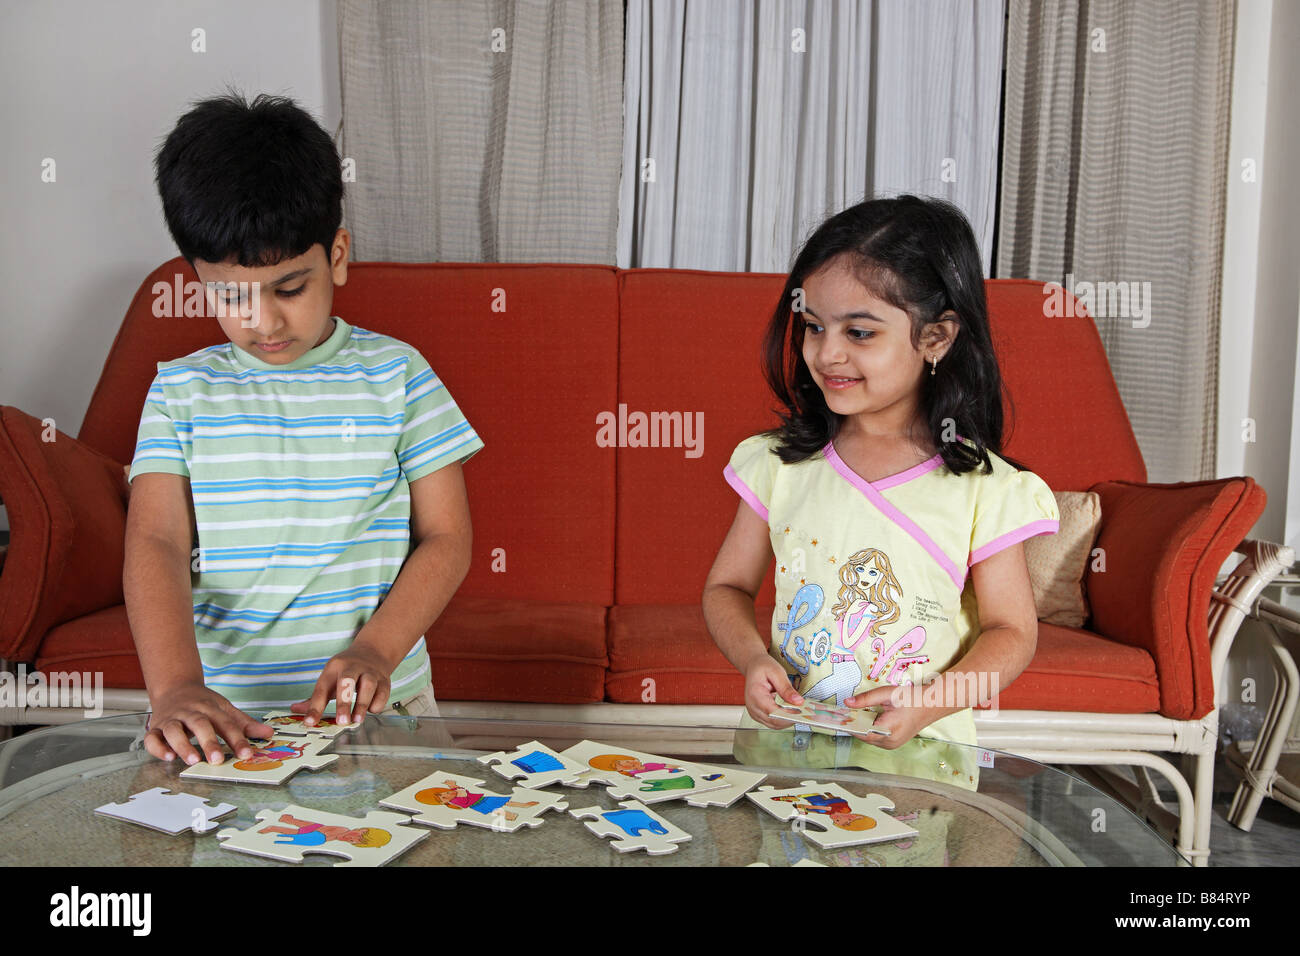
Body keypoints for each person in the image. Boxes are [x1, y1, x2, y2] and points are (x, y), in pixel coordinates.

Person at [124, 91, 482, 767]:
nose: (263, 321)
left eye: (289, 288)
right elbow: (156, 540)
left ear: (337, 255)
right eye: (230, 294)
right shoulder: (179, 392)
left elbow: (447, 537)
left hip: (382, 703)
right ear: (196, 278)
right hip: (224, 717)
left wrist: (376, 650)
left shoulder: (399, 375)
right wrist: (175, 687)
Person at [702, 195, 1059, 790]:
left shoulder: (986, 489)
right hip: (785, 758)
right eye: (813, 326)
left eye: (860, 332)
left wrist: (929, 701)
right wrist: (752, 659)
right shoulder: (779, 463)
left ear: (936, 338)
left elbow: (1012, 633)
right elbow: (726, 587)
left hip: (919, 770)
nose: (826, 353)